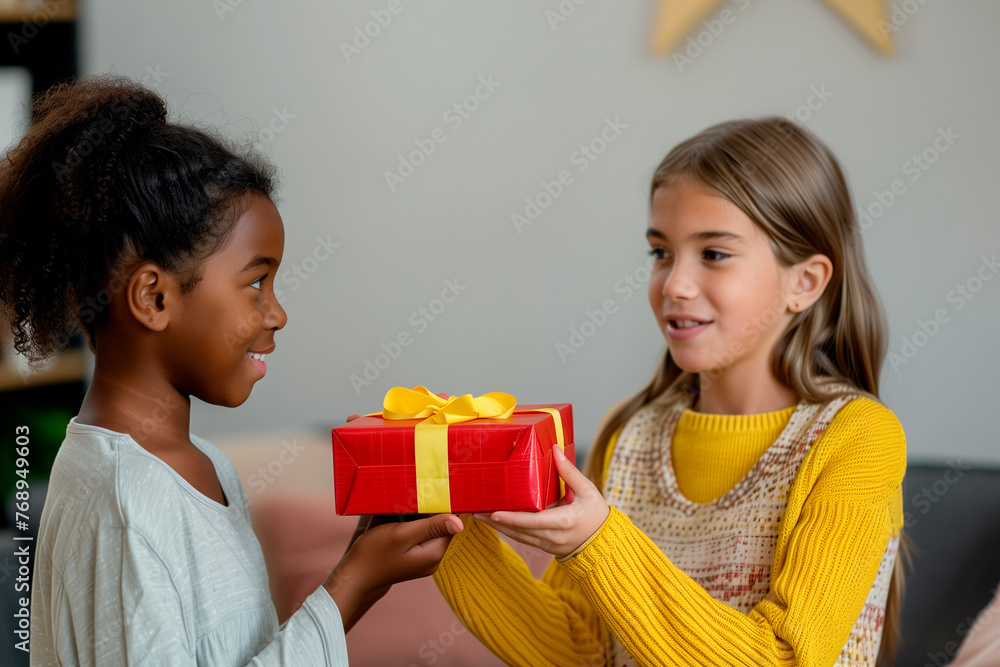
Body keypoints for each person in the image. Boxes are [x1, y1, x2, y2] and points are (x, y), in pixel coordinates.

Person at [0, 75, 463, 666]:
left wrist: (361, 575)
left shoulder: (206, 468)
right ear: (153, 299)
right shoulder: (122, 505)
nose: (278, 313)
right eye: (255, 282)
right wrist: (346, 588)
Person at [431, 117, 908, 666]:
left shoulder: (857, 440)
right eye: (661, 252)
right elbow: (583, 653)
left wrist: (599, 542)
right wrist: (451, 534)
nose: (674, 285)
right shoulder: (629, 434)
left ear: (803, 282)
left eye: (714, 254)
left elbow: (785, 659)